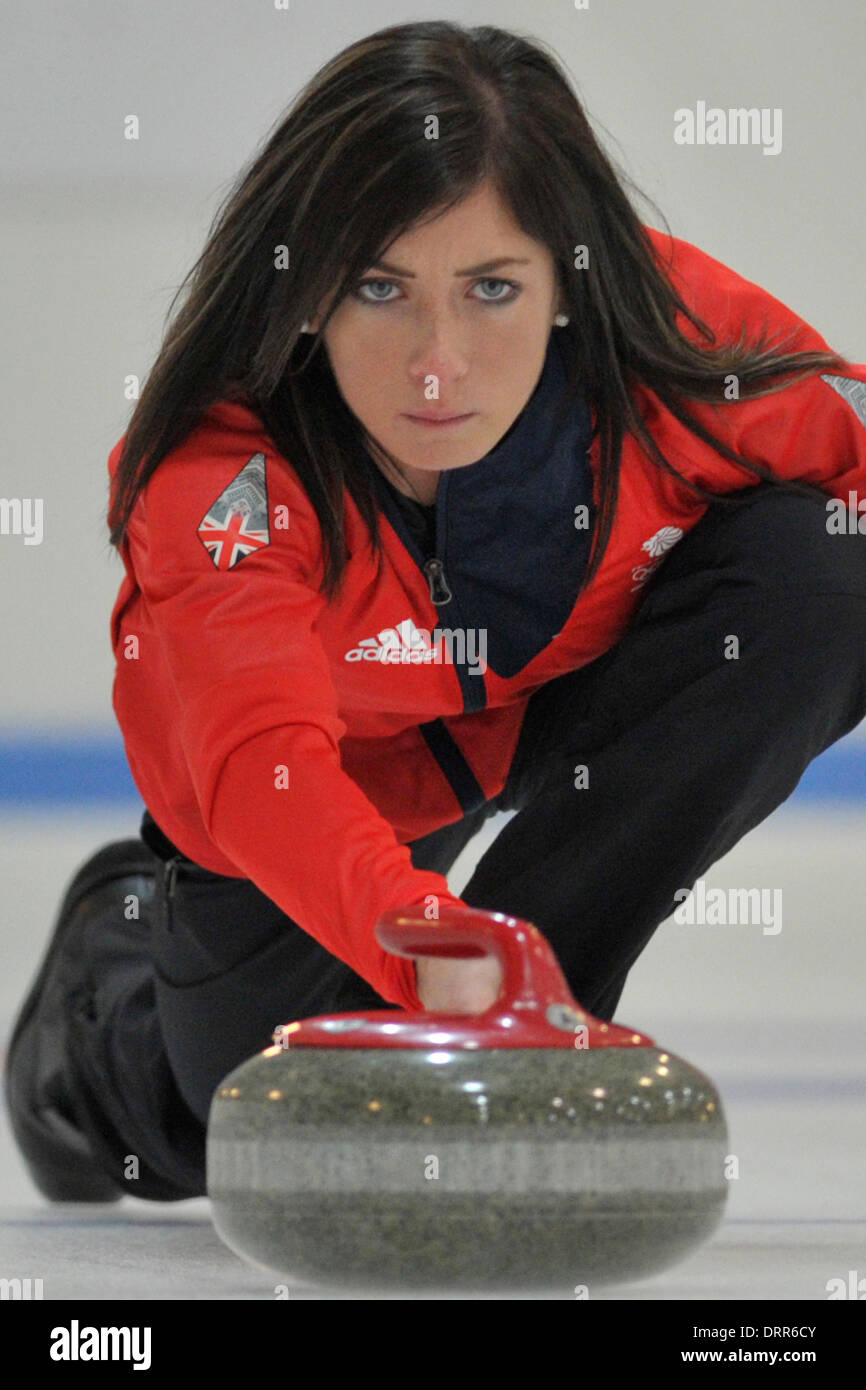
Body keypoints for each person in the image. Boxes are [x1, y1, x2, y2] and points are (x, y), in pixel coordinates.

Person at [6, 20, 866, 1204]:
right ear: (306, 289)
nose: (435, 365)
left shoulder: (674, 348)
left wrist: (493, 990)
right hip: (318, 802)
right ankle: (107, 1007)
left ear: (570, 276)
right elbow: (262, 764)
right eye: (379, 288)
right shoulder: (226, 474)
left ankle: (520, 1035)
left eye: (492, 289)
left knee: (828, 566)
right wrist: (431, 945)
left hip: (554, 712)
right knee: (237, 1127)